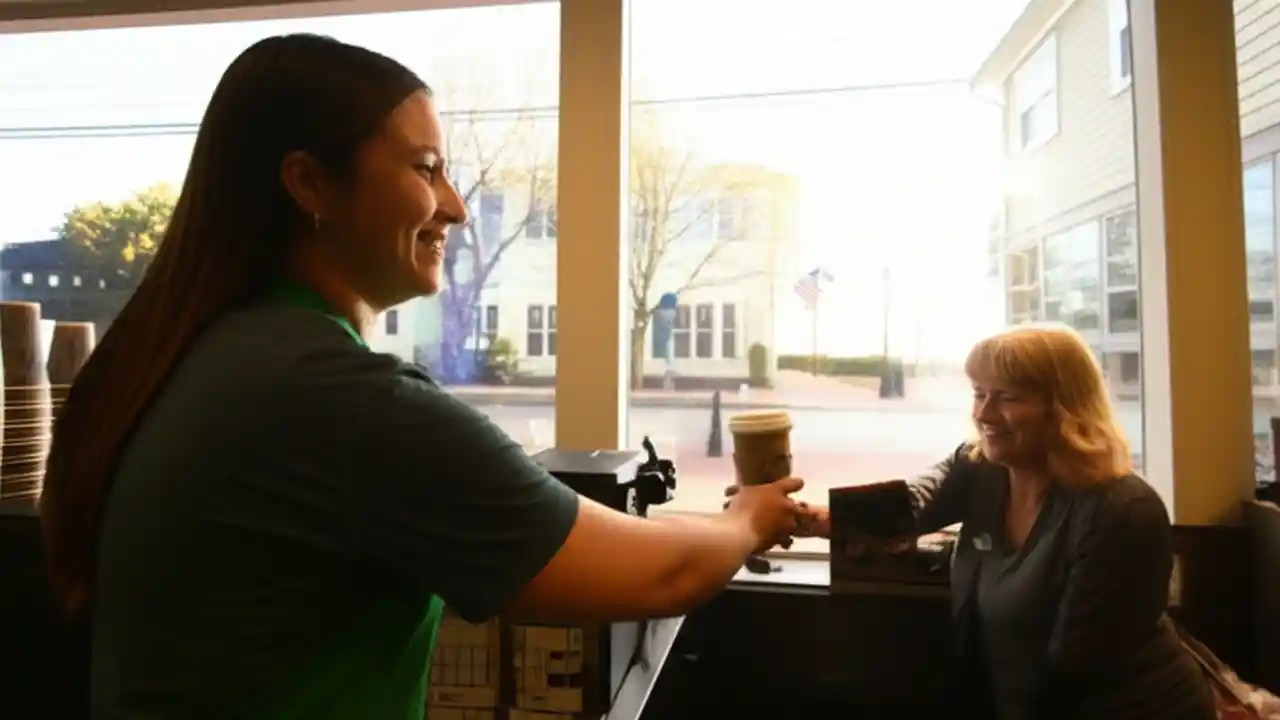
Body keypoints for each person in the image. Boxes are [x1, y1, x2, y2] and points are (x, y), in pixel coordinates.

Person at [39, 35, 802, 719]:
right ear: (309, 184)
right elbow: (660, 576)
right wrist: (748, 520)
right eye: (426, 169)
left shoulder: (212, 353)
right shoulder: (334, 398)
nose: (457, 208)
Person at [735, 325, 1215, 719]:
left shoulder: (1122, 512)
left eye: (1007, 397)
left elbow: (1074, 673)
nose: (984, 413)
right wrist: (801, 516)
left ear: (1064, 407)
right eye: (979, 393)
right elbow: (909, 505)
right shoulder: (981, 470)